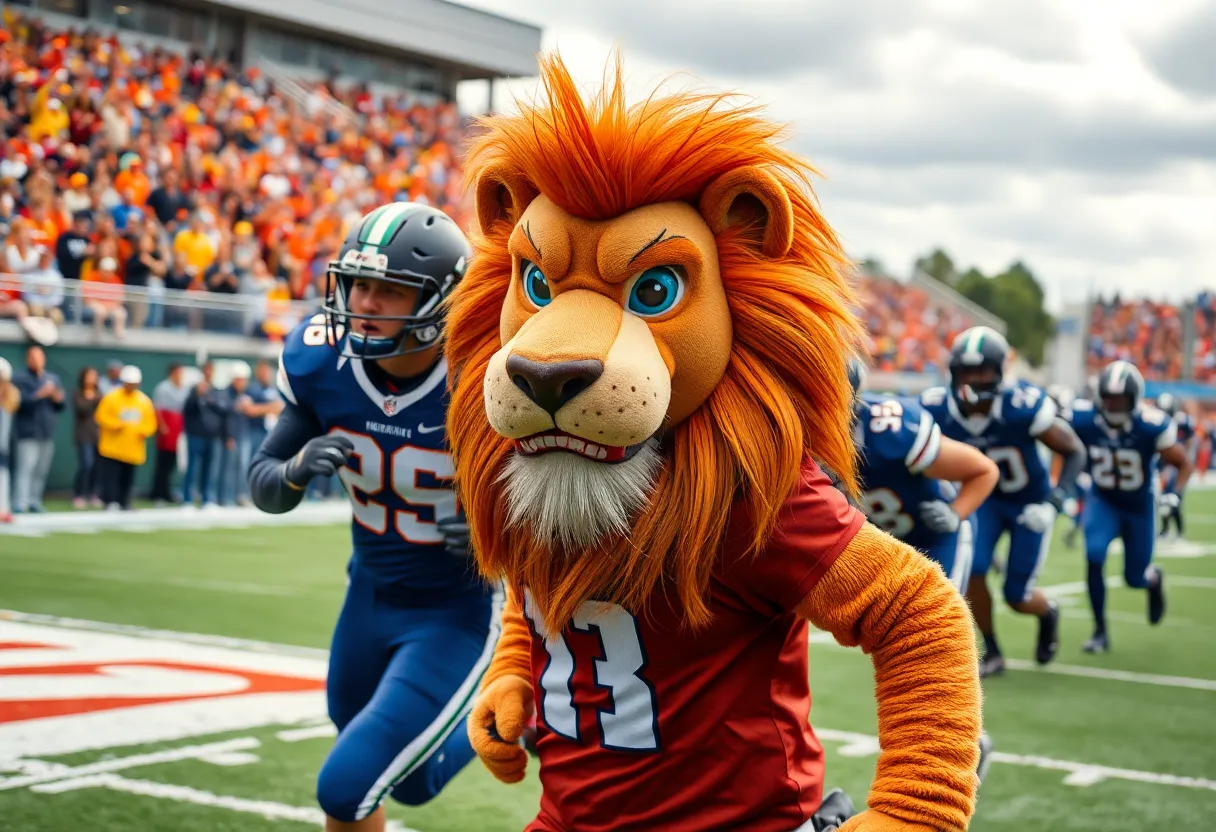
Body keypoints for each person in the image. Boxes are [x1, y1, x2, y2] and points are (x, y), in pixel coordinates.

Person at [248, 202, 498, 831]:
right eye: (359, 283)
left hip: (458, 611)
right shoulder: (322, 363)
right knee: (406, 782)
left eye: (390, 290)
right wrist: (295, 469)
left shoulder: (484, 378)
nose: (365, 302)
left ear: (443, 301)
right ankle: (500, 724)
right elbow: (264, 483)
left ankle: (507, 698)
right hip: (368, 593)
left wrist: (499, 536)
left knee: (347, 784)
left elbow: (558, 507)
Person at [849, 358, 999, 782]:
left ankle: (967, 742)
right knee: (894, 646)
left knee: (932, 635)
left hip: (937, 537)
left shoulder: (890, 428)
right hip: (888, 543)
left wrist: (954, 513)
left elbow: (983, 470)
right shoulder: (806, 435)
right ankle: (931, 739)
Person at [921, 326, 1086, 677]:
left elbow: (1074, 450)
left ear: (998, 372)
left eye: (982, 371)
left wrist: (1053, 502)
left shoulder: (1022, 406)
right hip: (983, 501)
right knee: (973, 570)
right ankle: (992, 650)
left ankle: (1047, 612)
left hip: (1029, 505)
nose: (973, 380)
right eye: (966, 371)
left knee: (1017, 596)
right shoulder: (936, 407)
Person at [1069, 362, 1193, 653]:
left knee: (1134, 578)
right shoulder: (1084, 419)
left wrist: (1173, 495)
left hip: (1139, 505)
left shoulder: (1150, 425)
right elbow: (1062, 445)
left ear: (1134, 399)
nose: (1113, 405)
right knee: (1094, 555)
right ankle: (1100, 630)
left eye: (1120, 398)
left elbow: (1183, 463)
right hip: (1104, 499)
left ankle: (1152, 580)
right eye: (1109, 398)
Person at [94, 364, 158, 510]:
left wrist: (143, 431)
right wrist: (115, 424)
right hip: (113, 446)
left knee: (127, 477)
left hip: (132, 446)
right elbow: (101, 416)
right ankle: (110, 501)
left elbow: (150, 422)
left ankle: (125, 502)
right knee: (111, 476)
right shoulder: (112, 397)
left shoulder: (143, 401)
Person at [12, 344, 64, 513]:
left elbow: (61, 406)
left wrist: (56, 397)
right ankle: (20, 502)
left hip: (46, 431)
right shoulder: (19, 378)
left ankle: (35, 501)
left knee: (41, 470)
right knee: (25, 469)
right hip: (27, 431)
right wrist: (40, 394)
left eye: (39, 357)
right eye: (33, 357)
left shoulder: (52, 378)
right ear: (27, 359)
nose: (37, 361)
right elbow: (19, 403)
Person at [1154, 392, 1197, 541]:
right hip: (1163, 465)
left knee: (1174, 498)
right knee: (1162, 500)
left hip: (1177, 464)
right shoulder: (1157, 422)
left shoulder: (1183, 421)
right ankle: (1164, 530)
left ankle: (1179, 531)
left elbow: (1190, 441)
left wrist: (1185, 458)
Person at [72, 366, 102, 508]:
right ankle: (79, 494)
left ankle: (93, 494)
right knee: (86, 465)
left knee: (97, 466)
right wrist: (92, 400)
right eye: (89, 376)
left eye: (94, 376)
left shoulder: (100, 394)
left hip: (98, 435)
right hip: (83, 435)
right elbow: (82, 409)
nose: (92, 379)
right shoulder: (78, 394)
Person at [0, 357, 19, 523]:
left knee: (3, 475)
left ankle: (3, 509)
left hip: (3, 443)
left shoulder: (10, 393)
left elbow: (12, 402)